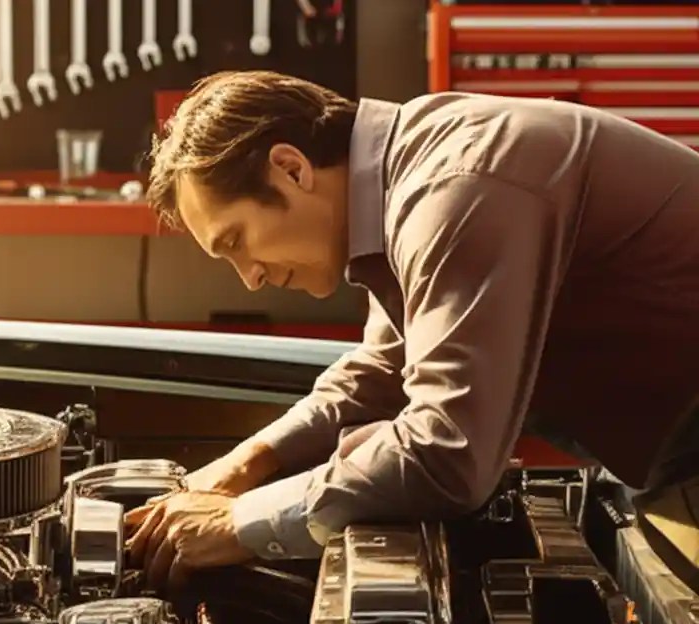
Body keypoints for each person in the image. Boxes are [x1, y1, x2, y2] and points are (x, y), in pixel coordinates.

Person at [126, 70, 699, 593]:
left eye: (235, 242)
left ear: (292, 169)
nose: (249, 278)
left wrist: (242, 523)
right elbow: (383, 371)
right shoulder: (408, 172)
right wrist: (246, 464)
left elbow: (446, 452)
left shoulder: (452, 189)